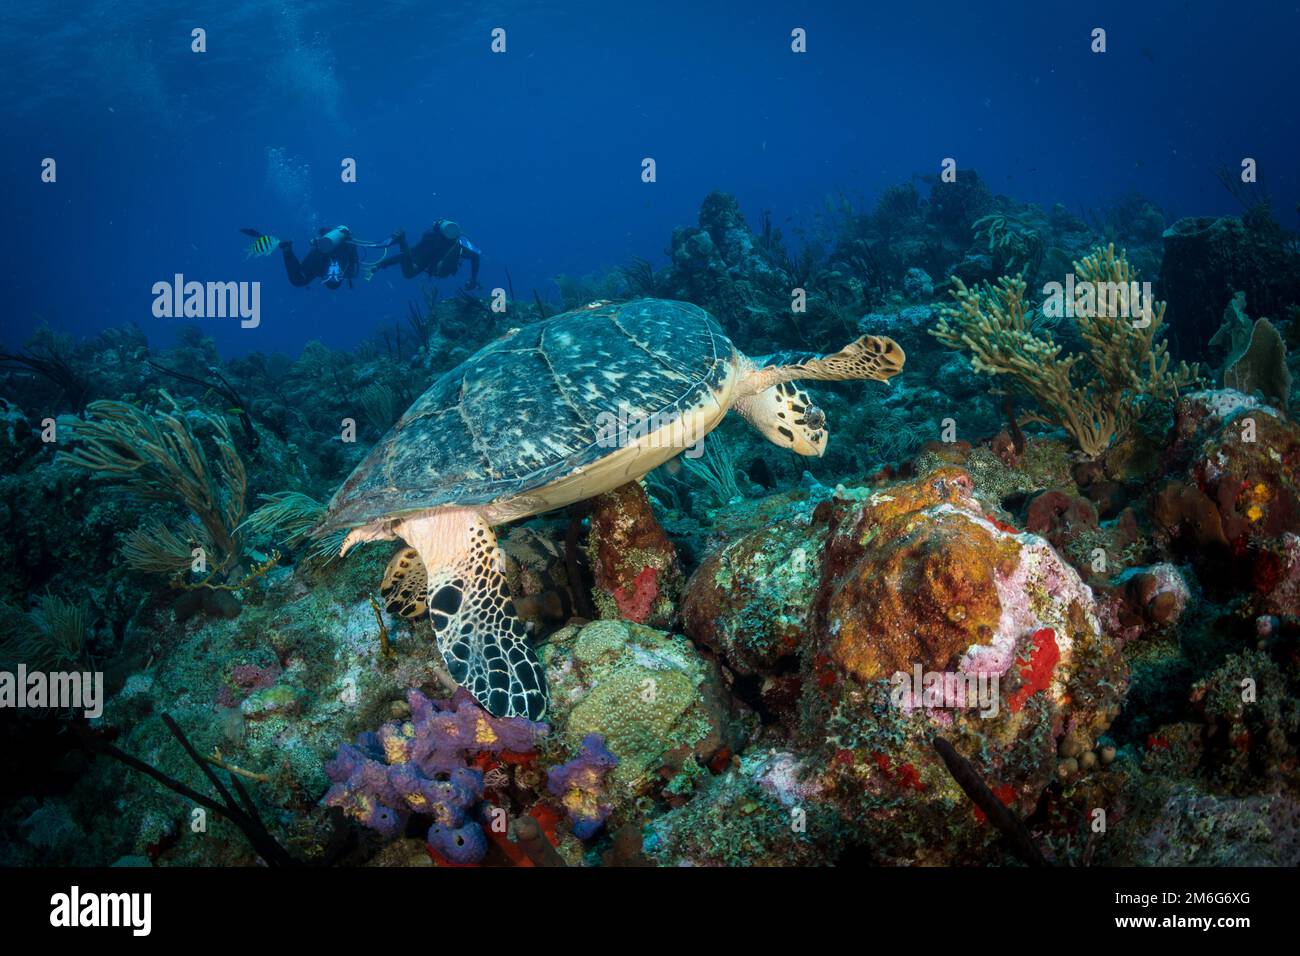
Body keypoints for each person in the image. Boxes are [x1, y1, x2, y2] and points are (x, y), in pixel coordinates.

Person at [366, 219, 481, 289]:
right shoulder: (433, 240)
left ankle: (402, 241)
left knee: (409, 273)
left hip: (424, 261)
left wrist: (381, 264)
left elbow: (409, 254)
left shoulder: (431, 238)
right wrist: (473, 279)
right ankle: (457, 245)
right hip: (430, 262)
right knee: (441, 271)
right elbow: (475, 256)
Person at [242, 225, 362, 290]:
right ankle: (286, 249)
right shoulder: (350, 271)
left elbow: (354, 254)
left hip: (321, 254)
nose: (333, 274)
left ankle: (286, 249)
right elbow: (353, 253)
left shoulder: (349, 272)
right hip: (322, 254)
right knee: (297, 280)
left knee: (298, 280)